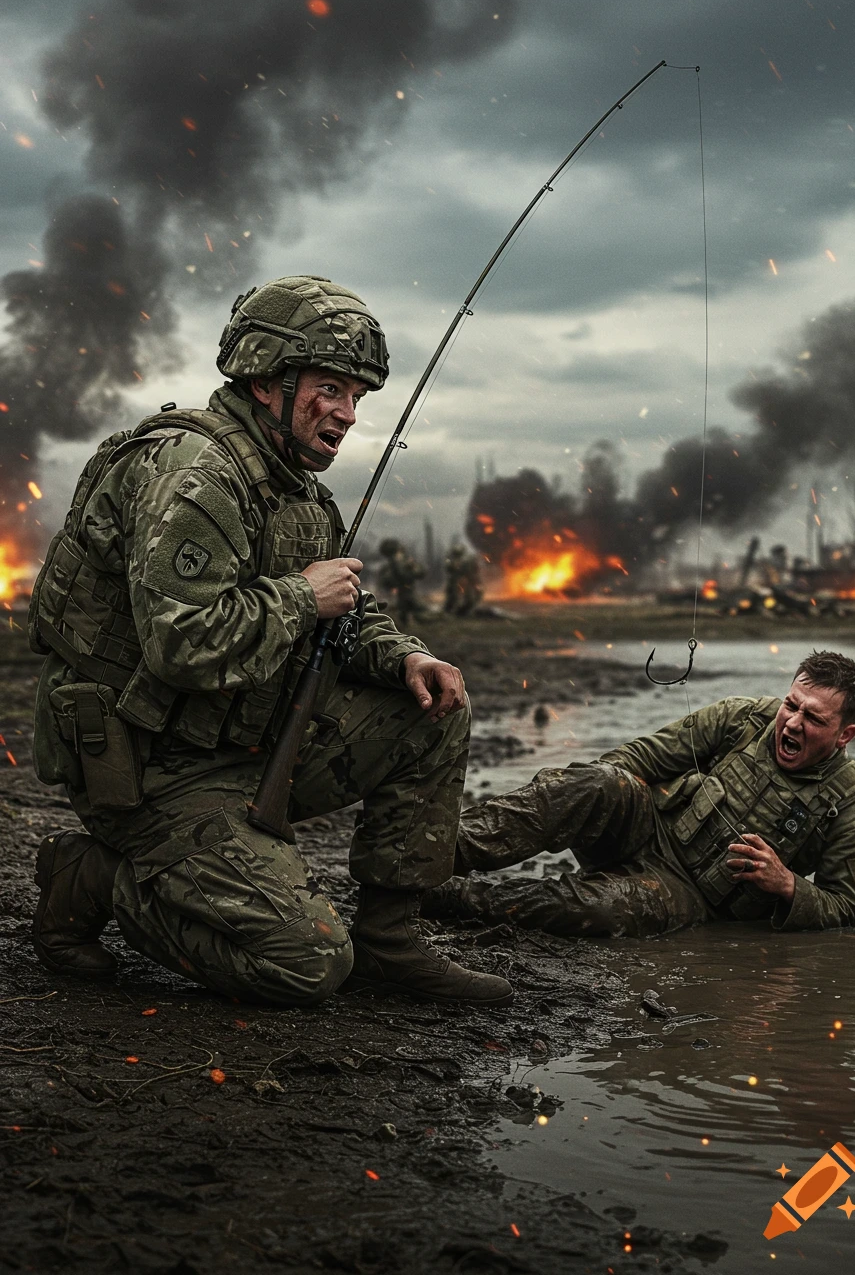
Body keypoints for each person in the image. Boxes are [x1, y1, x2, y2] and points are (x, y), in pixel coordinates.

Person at [29, 274, 512, 1008]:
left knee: (431, 711)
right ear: (265, 382)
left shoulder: (296, 488)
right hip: (151, 766)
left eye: (357, 395)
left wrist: (406, 656)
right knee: (308, 964)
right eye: (329, 389)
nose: (348, 413)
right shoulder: (195, 475)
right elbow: (180, 644)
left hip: (243, 739)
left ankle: (390, 943)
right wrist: (301, 596)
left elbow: (342, 610)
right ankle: (95, 877)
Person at [425, 652, 855, 936]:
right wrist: (590, 801)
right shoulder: (742, 718)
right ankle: (428, 853)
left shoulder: (852, 804)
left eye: (814, 719)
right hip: (648, 829)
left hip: (687, 895)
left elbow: (849, 909)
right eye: (791, 705)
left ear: (845, 735)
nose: (793, 722)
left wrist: (787, 884)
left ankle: (451, 899)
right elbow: (641, 756)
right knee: (599, 781)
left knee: (602, 910)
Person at [377, 538, 427, 627]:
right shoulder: (393, 564)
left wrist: (411, 567)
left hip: (406, 591)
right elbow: (391, 579)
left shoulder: (404, 562)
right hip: (400, 592)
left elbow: (419, 573)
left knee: (416, 611)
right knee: (404, 612)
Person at [443, 544, 483, 617]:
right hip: (456, 581)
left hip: (467, 581)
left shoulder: (467, 560)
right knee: (453, 598)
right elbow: (449, 568)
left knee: (470, 599)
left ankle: (462, 612)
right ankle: (449, 611)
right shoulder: (451, 559)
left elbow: (474, 570)